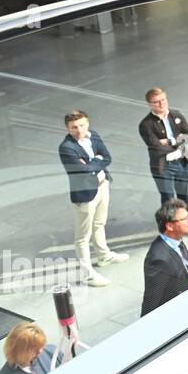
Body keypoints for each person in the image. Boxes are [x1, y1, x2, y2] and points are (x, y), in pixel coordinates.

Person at [58, 110, 127, 287]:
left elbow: (107, 157)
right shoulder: (66, 148)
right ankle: (87, 274)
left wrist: (91, 163)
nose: (79, 130)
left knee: (99, 224)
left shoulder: (94, 136)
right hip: (85, 193)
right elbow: (83, 171)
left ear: (87, 124)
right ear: (68, 128)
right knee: (83, 236)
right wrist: (96, 161)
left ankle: (104, 256)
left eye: (81, 125)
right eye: (74, 127)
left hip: (103, 185)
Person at [138, 87, 188, 236]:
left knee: (183, 195)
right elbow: (156, 146)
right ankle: (168, 228)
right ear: (150, 104)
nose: (161, 104)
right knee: (167, 198)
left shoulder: (176, 115)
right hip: (163, 166)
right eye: (156, 102)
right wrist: (179, 142)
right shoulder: (146, 124)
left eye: (163, 100)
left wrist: (169, 140)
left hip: (182, 161)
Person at [141, 199, 188, 316]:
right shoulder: (159, 259)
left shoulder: (177, 241)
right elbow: (152, 300)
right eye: (184, 219)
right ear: (169, 226)